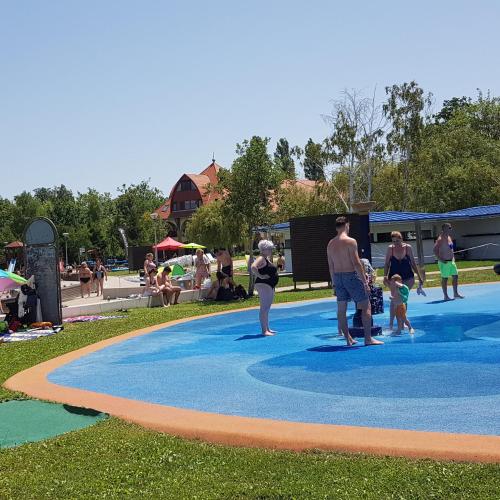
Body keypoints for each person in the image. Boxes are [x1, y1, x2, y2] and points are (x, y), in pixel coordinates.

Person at [327, 216, 383, 347]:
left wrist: (334, 283)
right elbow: (357, 263)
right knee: (366, 306)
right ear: (347, 225)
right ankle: (368, 339)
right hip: (351, 276)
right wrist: (364, 282)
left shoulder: (330, 244)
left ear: (336, 227)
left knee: (341, 309)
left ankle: (348, 339)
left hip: (338, 277)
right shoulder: (350, 241)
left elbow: (331, 266)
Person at [383, 231, 424, 330]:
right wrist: (385, 276)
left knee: (403, 299)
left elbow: (413, 263)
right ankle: (391, 323)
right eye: (394, 241)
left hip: (408, 277)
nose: (396, 243)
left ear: (401, 239)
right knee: (394, 299)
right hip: (394, 279)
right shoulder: (390, 248)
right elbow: (387, 263)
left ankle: (402, 321)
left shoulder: (408, 247)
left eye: (397, 241)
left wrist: (419, 276)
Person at [251, 239, 279, 336]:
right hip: (263, 284)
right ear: (263, 249)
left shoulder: (265, 259)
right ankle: (264, 330)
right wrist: (261, 276)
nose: (271, 250)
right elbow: (253, 267)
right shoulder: (261, 258)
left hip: (268, 285)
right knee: (264, 307)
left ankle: (267, 328)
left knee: (267, 307)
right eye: (269, 249)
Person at [434, 223, 464, 301]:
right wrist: (440, 259)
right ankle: (446, 296)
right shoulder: (440, 239)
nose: (450, 229)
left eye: (450, 228)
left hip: (451, 261)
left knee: (455, 276)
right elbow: (435, 250)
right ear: (444, 229)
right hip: (444, 262)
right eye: (448, 228)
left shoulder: (449, 237)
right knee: (445, 278)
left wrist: (453, 257)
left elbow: (451, 249)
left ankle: (455, 294)